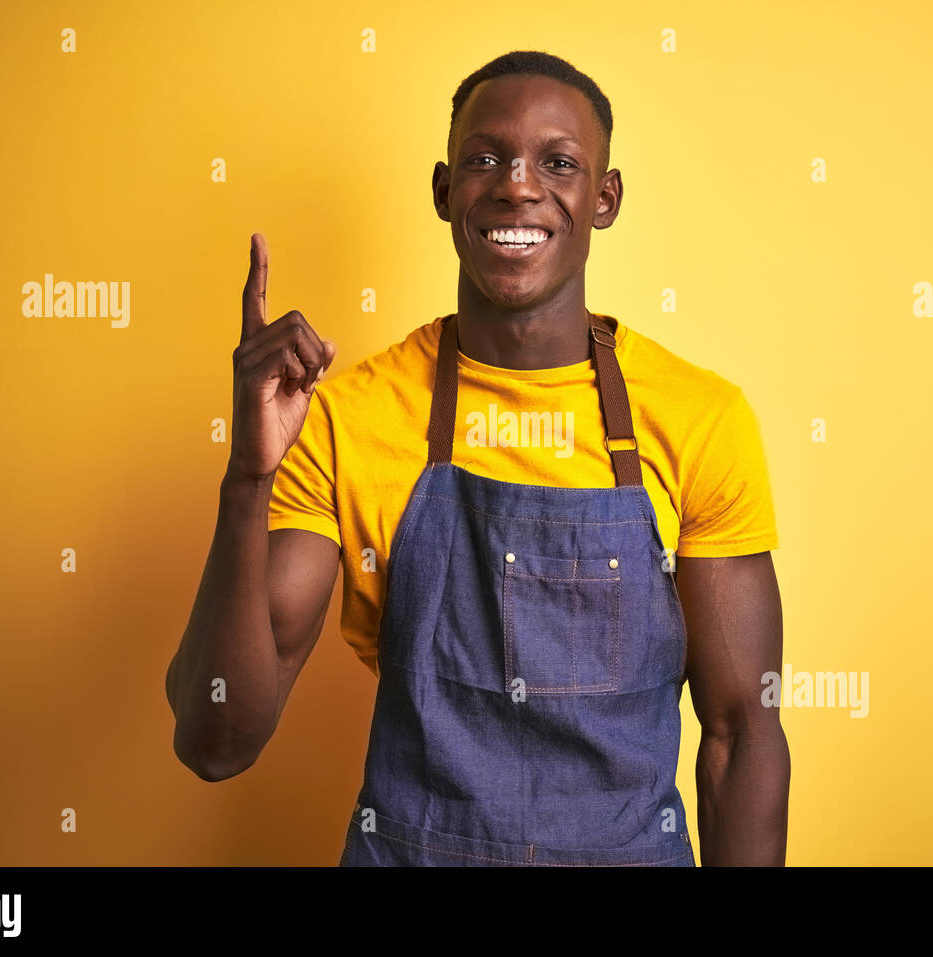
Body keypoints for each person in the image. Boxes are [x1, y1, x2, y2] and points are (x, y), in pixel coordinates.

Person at [166, 49, 789, 866]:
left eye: (557, 162)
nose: (517, 185)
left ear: (604, 199)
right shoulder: (349, 419)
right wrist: (247, 480)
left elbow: (742, 733)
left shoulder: (700, 419)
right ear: (443, 190)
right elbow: (219, 738)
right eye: (485, 159)